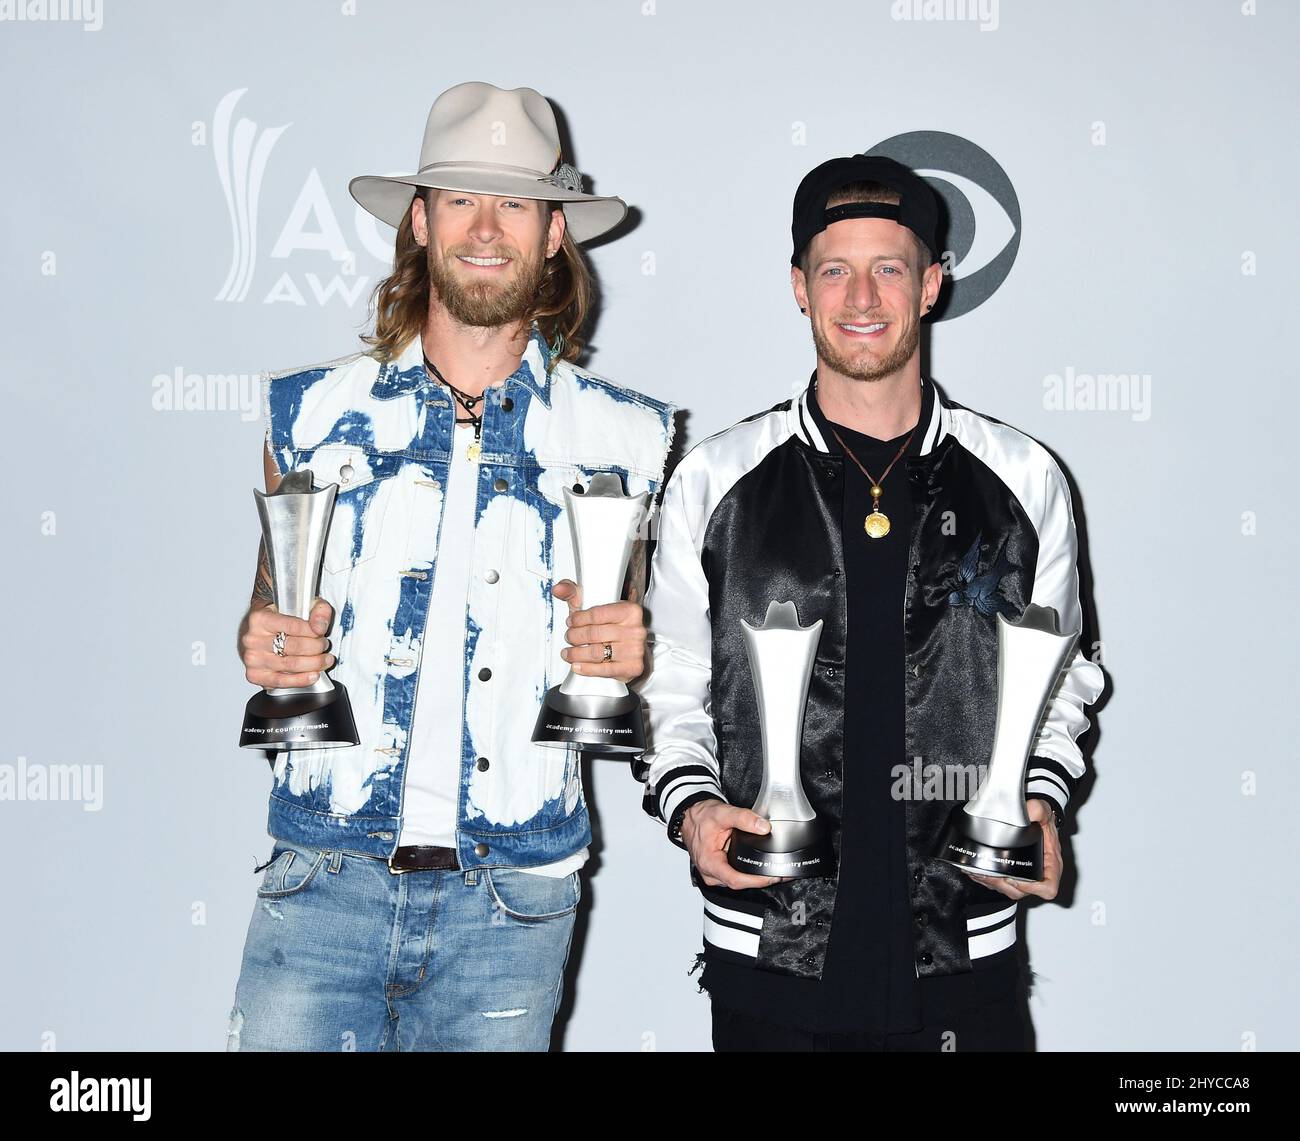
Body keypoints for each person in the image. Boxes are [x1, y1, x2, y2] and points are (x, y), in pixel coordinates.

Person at [227, 82, 675, 1052]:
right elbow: (267, 613)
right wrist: (259, 638)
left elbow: (621, 646)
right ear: (420, 220)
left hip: (511, 902)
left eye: (513, 202)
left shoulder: (627, 436)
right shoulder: (305, 414)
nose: (485, 227)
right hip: (322, 877)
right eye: (460, 199)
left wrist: (630, 646)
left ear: (554, 231)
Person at [635, 153, 1105, 1051]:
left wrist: (1037, 799)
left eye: (888, 268)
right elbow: (667, 689)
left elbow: (1065, 680)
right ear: (798, 288)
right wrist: (695, 812)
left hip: (963, 941)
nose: (862, 297)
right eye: (834, 270)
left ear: (931, 284)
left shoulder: (1025, 478)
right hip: (773, 942)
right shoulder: (714, 481)